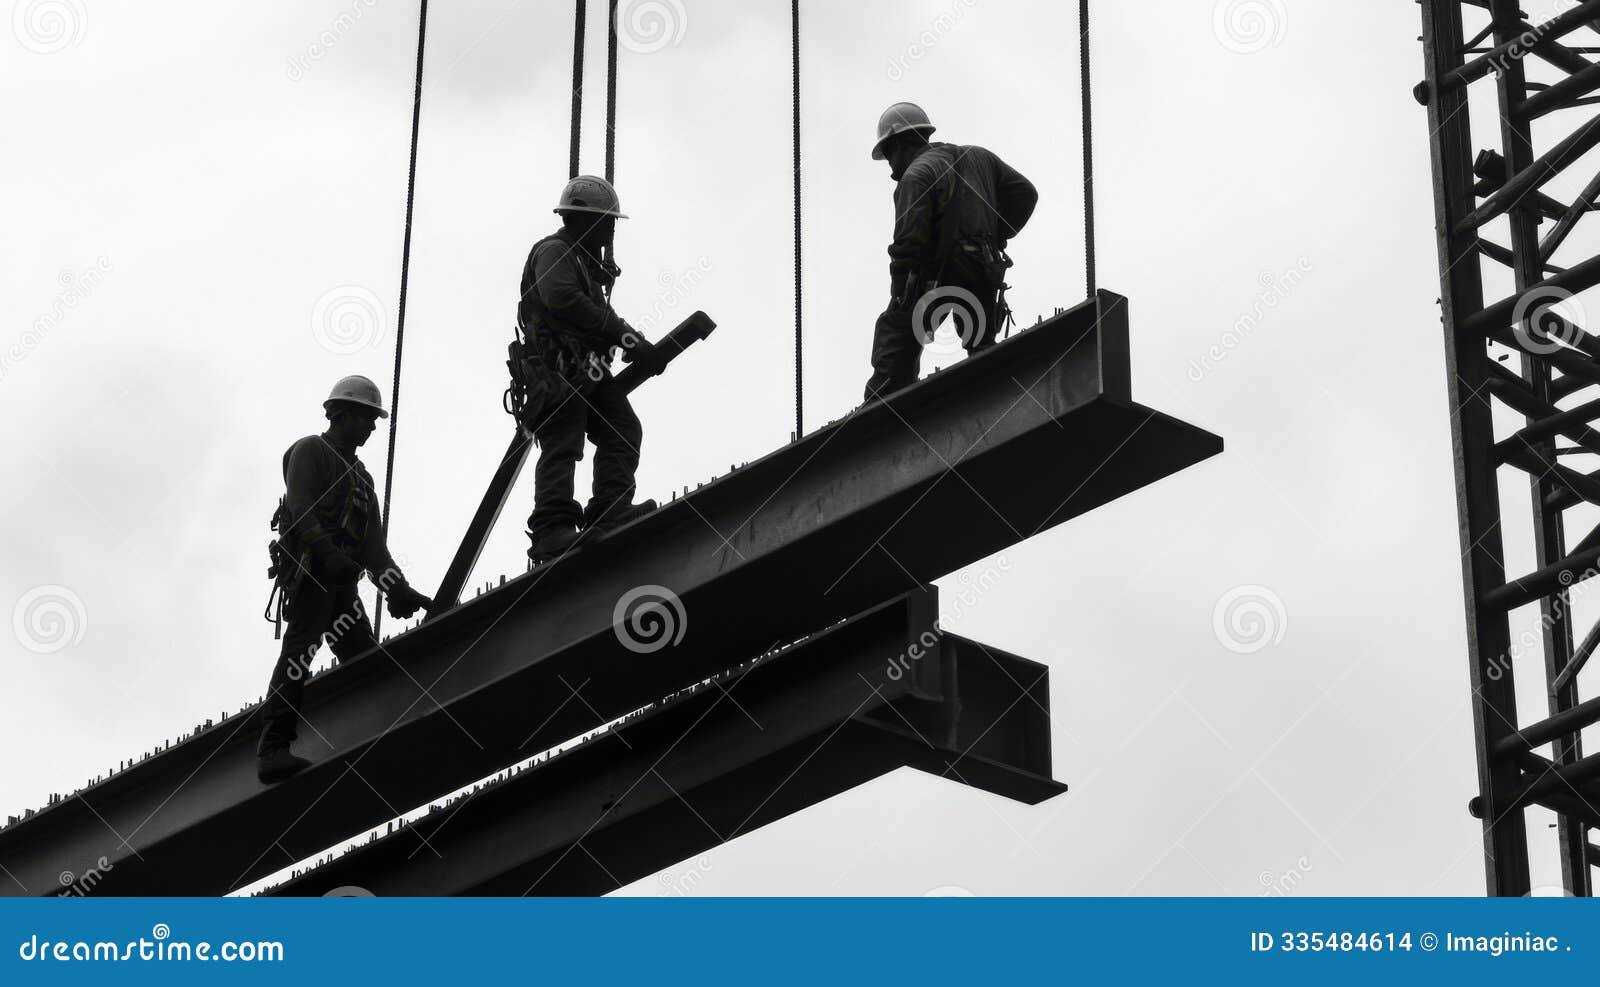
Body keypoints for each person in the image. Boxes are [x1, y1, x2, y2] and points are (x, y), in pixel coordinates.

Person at [257, 374, 431, 784]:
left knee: (363, 656)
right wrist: (330, 555)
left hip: (341, 585)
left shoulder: (363, 480)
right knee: (300, 651)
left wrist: (398, 588)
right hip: (313, 576)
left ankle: (376, 735)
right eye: (367, 418)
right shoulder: (310, 451)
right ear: (342, 414)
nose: (372, 427)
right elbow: (300, 508)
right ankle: (273, 747)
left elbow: (374, 549)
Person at [518, 175, 658, 564]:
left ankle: (610, 510)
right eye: (607, 221)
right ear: (586, 220)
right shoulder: (554, 252)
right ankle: (551, 530)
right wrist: (622, 334)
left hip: (588, 371)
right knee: (564, 441)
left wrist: (631, 341)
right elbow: (562, 299)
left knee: (622, 430)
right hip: (557, 371)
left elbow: (601, 316)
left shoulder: (583, 264)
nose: (612, 229)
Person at [863, 102, 1040, 402]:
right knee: (981, 344)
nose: (891, 166)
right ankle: (993, 401)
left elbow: (908, 244)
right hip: (983, 267)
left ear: (902, 144)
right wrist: (996, 234)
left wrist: (900, 295)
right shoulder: (979, 157)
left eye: (890, 154)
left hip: (939, 274)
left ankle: (881, 413)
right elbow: (1025, 193)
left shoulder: (915, 176)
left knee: (895, 339)